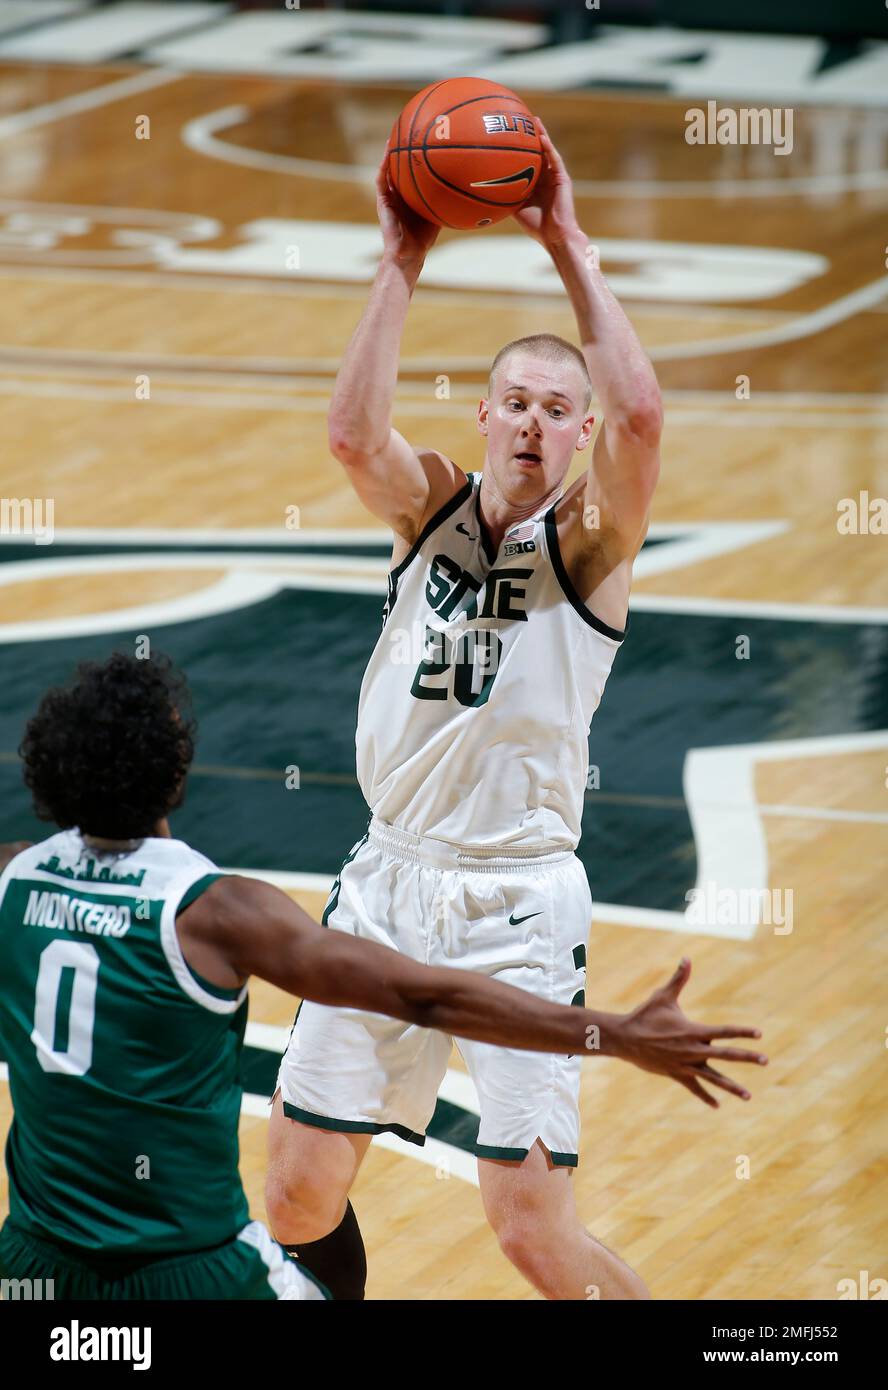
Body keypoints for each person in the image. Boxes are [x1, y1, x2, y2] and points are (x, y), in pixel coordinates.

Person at [266, 120, 767, 1300]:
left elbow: (647, 422)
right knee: (294, 1192)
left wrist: (568, 240)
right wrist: (401, 259)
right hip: (386, 879)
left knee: (530, 1228)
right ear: (485, 415)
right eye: (517, 402)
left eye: (558, 408)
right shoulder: (430, 504)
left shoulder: (589, 547)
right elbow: (349, 432)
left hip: (518, 900)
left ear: (578, 435)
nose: (536, 422)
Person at [0, 652, 764, 1301]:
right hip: (196, 1273)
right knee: (291, 1220)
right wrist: (615, 1034)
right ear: (174, 773)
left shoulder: (12, 883)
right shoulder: (218, 915)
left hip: (31, 1267)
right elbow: (424, 993)